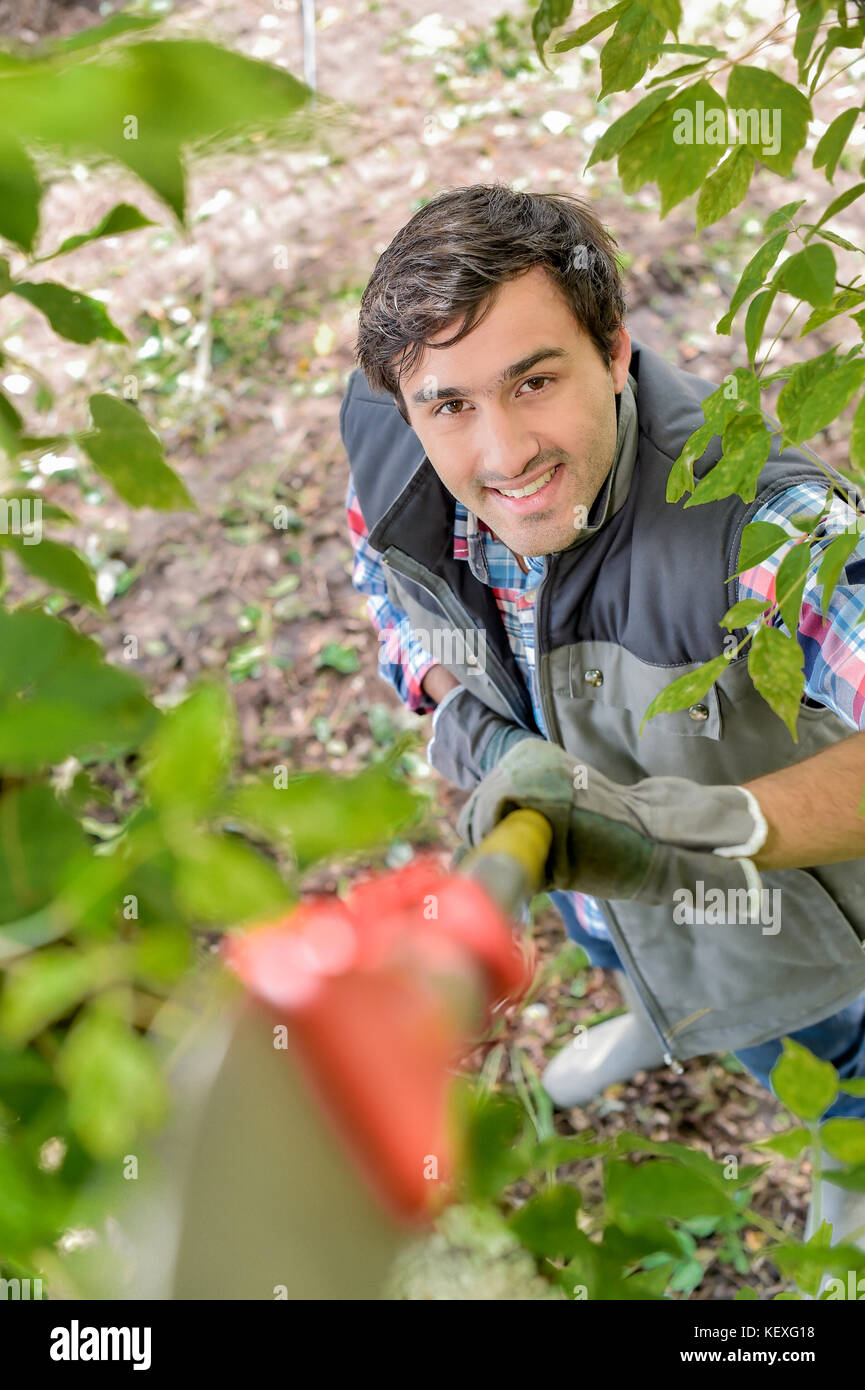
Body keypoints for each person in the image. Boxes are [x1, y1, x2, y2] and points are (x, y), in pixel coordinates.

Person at [341, 182, 865, 1248]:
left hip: (770, 922)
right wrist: (490, 741)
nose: (504, 453)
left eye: (534, 380)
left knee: (820, 1045)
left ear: (616, 349)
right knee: (608, 935)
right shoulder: (390, 441)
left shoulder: (769, 523)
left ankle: (848, 1138)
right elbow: (388, 593)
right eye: (451, 404)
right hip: (588, 886)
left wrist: (686, 830)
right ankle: (643, 1003)